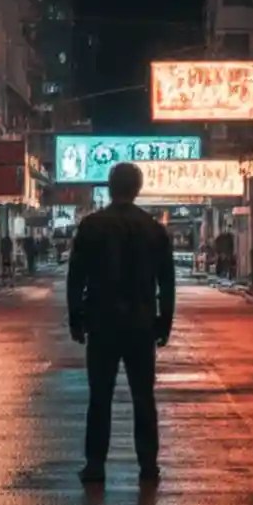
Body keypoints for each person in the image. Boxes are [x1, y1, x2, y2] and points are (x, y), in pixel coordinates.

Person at [67, 162, 175, 484]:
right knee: (143, 396)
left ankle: (95, 464)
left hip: (101, 323)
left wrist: (76, 319)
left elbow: (76, 278)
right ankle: (148, 466)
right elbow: (166, 283)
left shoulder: (91, 226)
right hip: (141, 324)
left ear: (110, 187)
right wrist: (164, 323)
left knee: (100, 396)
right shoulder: (154, 230)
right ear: (138, 188)